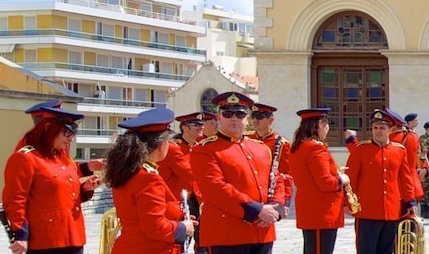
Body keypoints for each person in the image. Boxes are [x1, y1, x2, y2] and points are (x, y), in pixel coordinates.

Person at [191, 91, 291, 254]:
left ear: (247, 119)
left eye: (240, 114)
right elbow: (215, 188)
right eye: (228, 114)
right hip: (228, 234)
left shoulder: (261, 148)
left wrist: (276, 208)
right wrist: (258, 210)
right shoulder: (204, 150)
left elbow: (276, 179)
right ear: (218, 117)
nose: (234, 118)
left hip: (263, 232)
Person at [4, 100, 101, 254]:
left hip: (73, 238)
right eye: (67, 133)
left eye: (73, 133)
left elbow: (62, 194)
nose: (71, 139)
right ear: (49, 128)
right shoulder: (26, 158)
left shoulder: (65, 159)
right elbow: (15, 200)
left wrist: (85, 189)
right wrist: (21, 234)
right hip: (45, 242)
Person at [106, 108, 196, 254]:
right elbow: (155, 227)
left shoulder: (127, 171)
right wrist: (183, 228)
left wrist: (179, 219)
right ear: (161, 146)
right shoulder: (148, 178)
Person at [346, 109, 421, 254]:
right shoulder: (361, 149)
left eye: (382, 128)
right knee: (366, 250)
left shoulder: (399, 150)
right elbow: (351, 179)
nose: (378, 131)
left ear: (391, 129)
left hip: (391, 210)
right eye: (375, 128)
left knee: (386, 250)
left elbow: (405, 178)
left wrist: (410, 201)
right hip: (367, 211)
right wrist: (347, 203)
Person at [287, 108, 348, 254]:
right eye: (327, 124)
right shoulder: (316, 148)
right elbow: (326, 183)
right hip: (322, 213)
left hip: (310, 210)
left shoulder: (300, 146)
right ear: (321, 124)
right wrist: (341, 179)